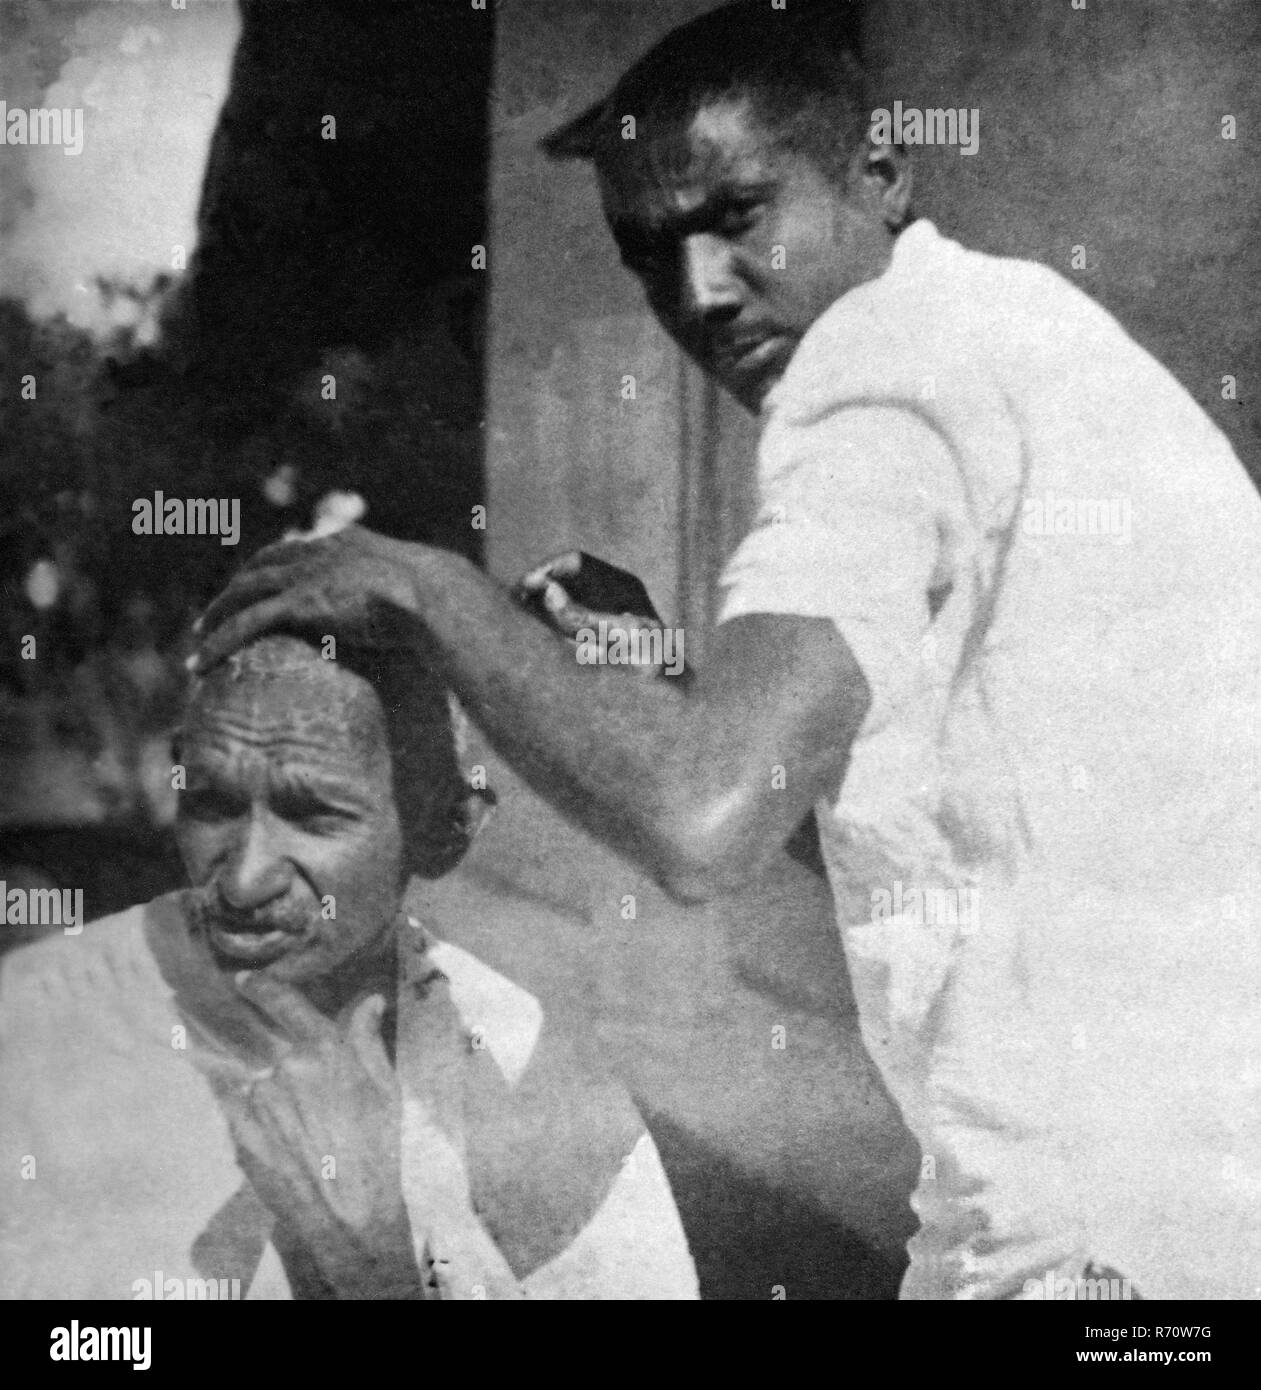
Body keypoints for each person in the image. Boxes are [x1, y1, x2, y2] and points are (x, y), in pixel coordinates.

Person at [191, 1, 1261, 1300]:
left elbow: (706, 820)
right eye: (649, 252)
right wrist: (669, 692)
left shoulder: (876, 375)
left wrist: (423, 591)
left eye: (739, 215)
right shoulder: (1015, 336)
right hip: (1162, 1217)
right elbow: (929, 832)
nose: (695, 294)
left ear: (880, 172)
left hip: (1097, 1256)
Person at [0, 633, 698, 1300]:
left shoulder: (525, 1065)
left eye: (313, 817)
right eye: (212, 805)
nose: (243, 880)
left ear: (442, 829)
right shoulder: (31, 1029)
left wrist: (379, 1273)